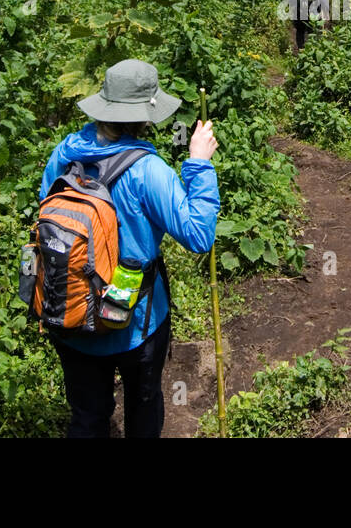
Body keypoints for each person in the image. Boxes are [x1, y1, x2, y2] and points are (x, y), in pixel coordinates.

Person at [37, 58, 219, 438]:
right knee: (143, 404)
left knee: (87, 416)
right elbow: (198, 236)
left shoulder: (64, 154)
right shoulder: (148, 170)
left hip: (71, 310)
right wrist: (199, 163)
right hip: (134, 317)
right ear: (146, 115)